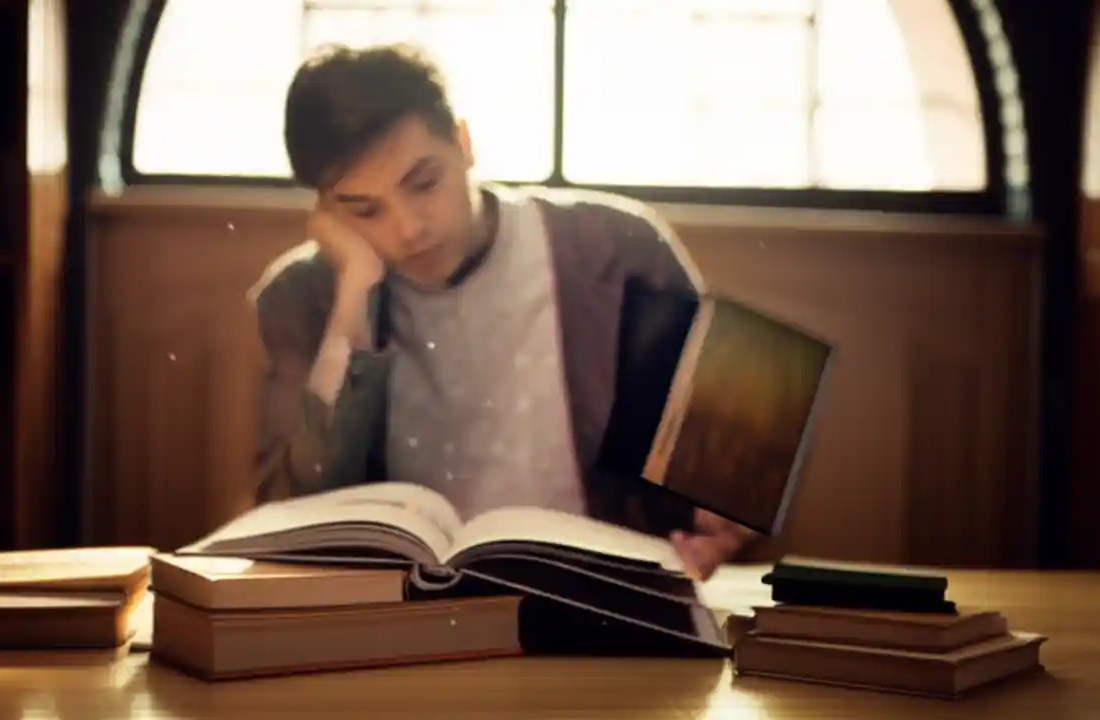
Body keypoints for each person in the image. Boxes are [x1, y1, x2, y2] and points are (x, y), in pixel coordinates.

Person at [250, 44, 757, 581]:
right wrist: (351, 299)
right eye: (364, 209)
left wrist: (721, 521)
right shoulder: (304, 294)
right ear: (327, 210)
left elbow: (729, 472)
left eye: (424, 184)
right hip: (396, 613)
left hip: (599, 597)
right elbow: (291, 510)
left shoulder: (620, 247)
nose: (408, 228)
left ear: (464, 143)